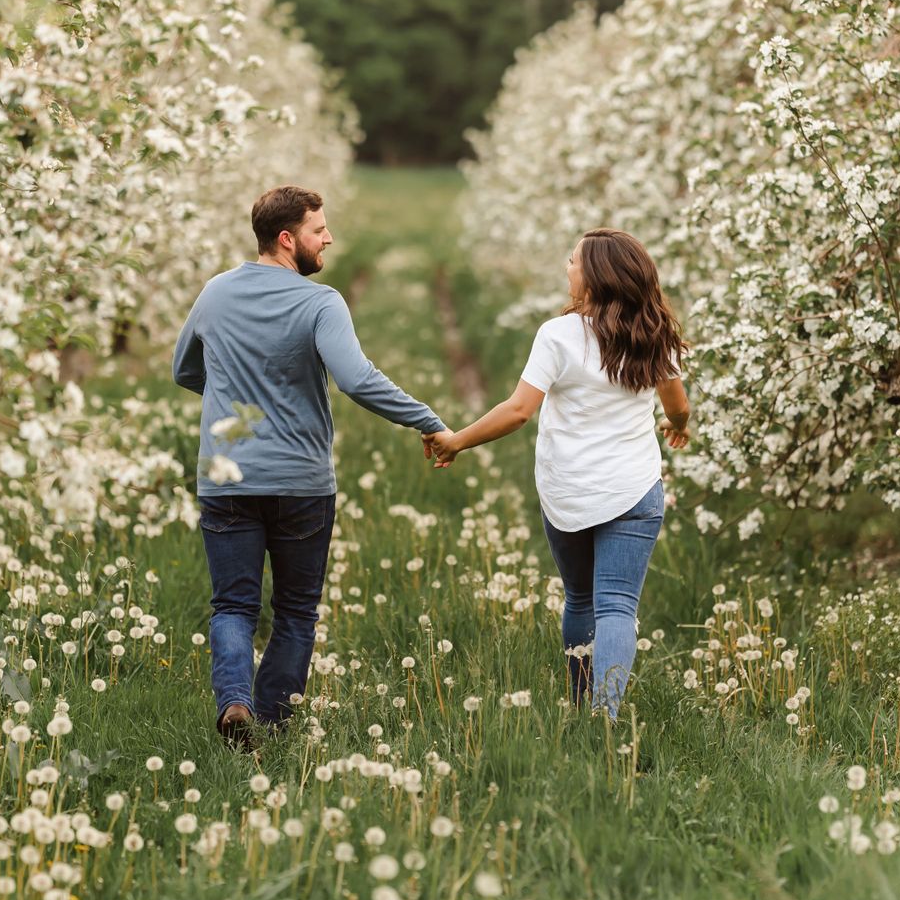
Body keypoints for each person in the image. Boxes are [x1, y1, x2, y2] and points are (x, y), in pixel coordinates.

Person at [173, 185, 450, 744]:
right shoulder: (320, 302)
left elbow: (185, 370)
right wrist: (427, 420)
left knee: (232, 604)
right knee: (297, 610)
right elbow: (356, 379)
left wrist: (230, 391)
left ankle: (235, 703)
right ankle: (271, 726)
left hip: (226, 475)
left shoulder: (215, 293)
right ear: (286, 238)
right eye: (318, 229)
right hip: (300, 481)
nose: (328, 238)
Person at [429, 229, 689, 721]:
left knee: (582, 598)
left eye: (572, 262)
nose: (567, 270)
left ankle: (580, 703)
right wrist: (677, 427)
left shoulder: (558, 335)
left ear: (593, 276)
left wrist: (458, 439)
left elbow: (519, 410)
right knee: (618, 607)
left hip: (569, 490)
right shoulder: (654, 332)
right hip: (636, 489)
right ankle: (605, 717)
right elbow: (676, 405)